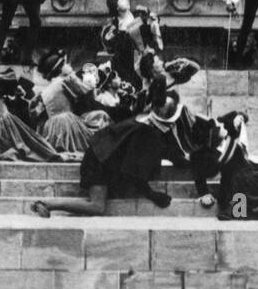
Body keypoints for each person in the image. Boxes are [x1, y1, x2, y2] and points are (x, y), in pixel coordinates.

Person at [29, 78, 190, 217]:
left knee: (98, 202)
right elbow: (132, 168)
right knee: (97, 206)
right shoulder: (145, 131)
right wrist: (151, 194)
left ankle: (47, 204)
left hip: (100, 158)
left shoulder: (143, 122)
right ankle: (47, 203)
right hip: (98, 163)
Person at [37, 49, 111, 154]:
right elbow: (85, 94)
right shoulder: (66, 81)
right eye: (65, 63)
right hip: (67, 124)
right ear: (59, 68)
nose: (68, 65)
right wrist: (101, 74)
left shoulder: (45, 91)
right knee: (101, 115)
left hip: (52, 128)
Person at [100, 0, 163, 89]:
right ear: (116, 6)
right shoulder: (112, 28)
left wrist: (153, 21)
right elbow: (110, 47)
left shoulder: (140, 14)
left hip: (146, 62)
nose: (126, 0)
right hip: (125, 68)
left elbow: (154, 25)